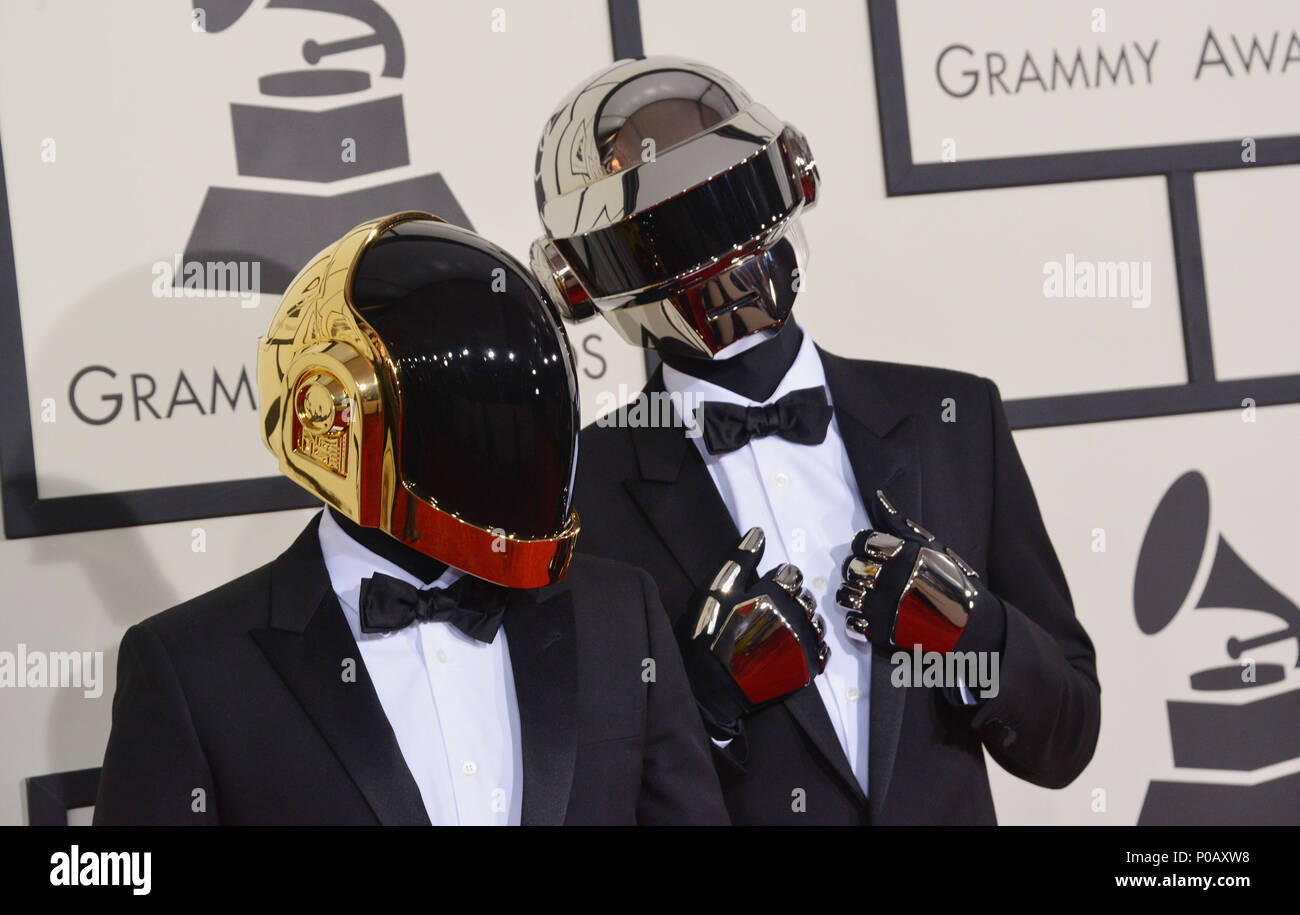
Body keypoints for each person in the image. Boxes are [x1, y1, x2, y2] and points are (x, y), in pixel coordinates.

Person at [529, 57, 1101, 825]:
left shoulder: (953, 418)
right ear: (579, 280)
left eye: (725, 199)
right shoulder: (574, 493)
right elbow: (570, 799)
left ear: (789, 174)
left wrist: (973, 630)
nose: (720, 259)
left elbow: (1067, 736)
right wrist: (708, 696)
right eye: (661, 234)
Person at [94, 211, 728, 825]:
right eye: (473, 422)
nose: (508, 455)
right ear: (337, 415)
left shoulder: (618, 615)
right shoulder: (194, 671)